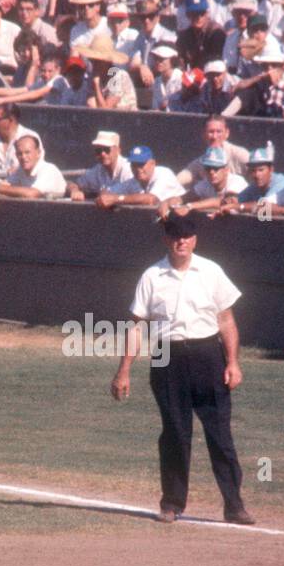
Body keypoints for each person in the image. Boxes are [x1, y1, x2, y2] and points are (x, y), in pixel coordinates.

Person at [110, 211, 254, 526]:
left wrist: (233, 362)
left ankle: (234, 504)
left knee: (220, 433)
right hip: (167, 357)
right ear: (167, 239)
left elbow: (226, 320)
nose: (181, 242)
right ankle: (172, 503)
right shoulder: (152, 276)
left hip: (207, 356)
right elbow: (136, 327)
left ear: (195, 239)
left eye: (187, 236)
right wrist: (123, 371)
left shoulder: (211, 271)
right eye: (175, 236)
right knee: (175, 432)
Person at [98, 144, 184, 210]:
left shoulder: (164, 174)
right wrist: (104, 198)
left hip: (185, 220)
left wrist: (116, 199)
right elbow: (107, 192)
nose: (138, 169)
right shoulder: (134, 181)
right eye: (134, 165)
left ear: (152, 163)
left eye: (141, 164)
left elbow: (150, 200)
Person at [0, 133, 66, 198]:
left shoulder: (49, 170)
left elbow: (31, 194)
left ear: (38, 153)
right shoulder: (20, 170)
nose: (23, 157)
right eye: (20, 153)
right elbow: (5, 185)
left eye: (27, 152)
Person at [65, 131, 131, 200]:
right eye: (98, 151)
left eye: (107, 149)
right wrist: (74, 191)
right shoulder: (98, 170)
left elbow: (139, 196)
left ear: (118, 151)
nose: (102, 154)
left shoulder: (128, 169)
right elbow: (71, 184)